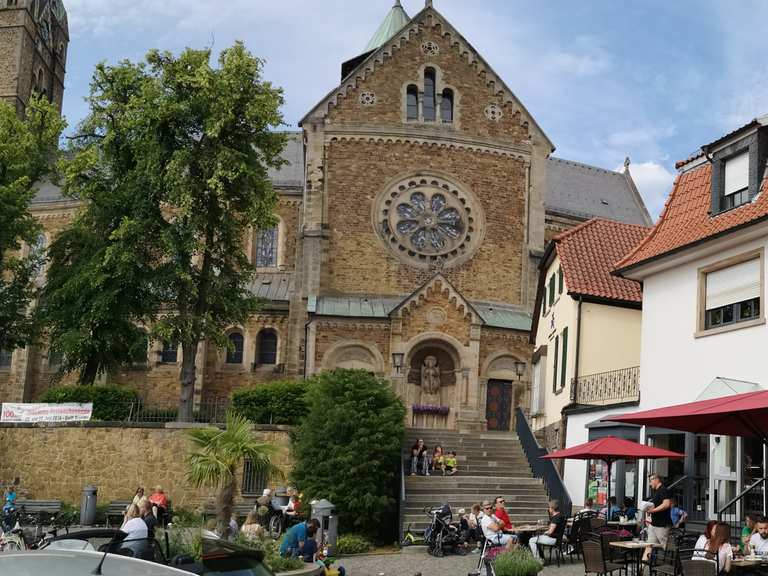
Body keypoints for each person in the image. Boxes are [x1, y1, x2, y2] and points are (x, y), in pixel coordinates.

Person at [643, 474, 672, 561]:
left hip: (662, 524)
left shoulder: (663, 490)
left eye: (650, 481)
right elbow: (657, 505)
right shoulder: (656, 492)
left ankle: (675, 568)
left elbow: (666, 504)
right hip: (654, 524)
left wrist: (653, 511)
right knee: (649, 545)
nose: (650, 484)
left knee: (666, 548)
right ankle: (642, 568)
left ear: (656, 479)